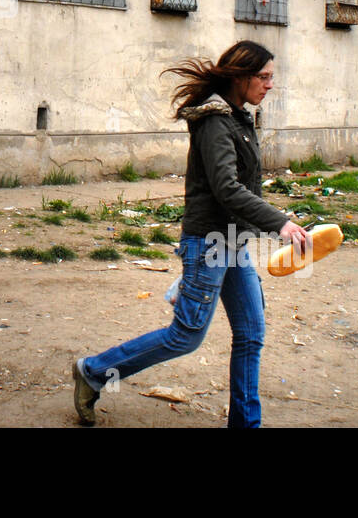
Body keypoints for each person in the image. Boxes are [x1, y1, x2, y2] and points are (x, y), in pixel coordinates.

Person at [72, 39, 310, 428]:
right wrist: (279, 222)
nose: (270, 85)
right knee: (186, 335)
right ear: (241, 77)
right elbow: (227, 188)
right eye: (264, 77)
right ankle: (94, 371)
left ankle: (246, 424)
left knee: (251, 333)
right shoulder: (216, 121)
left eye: (271, 78)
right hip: (211, 242)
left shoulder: (237, 116)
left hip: (232, 243)